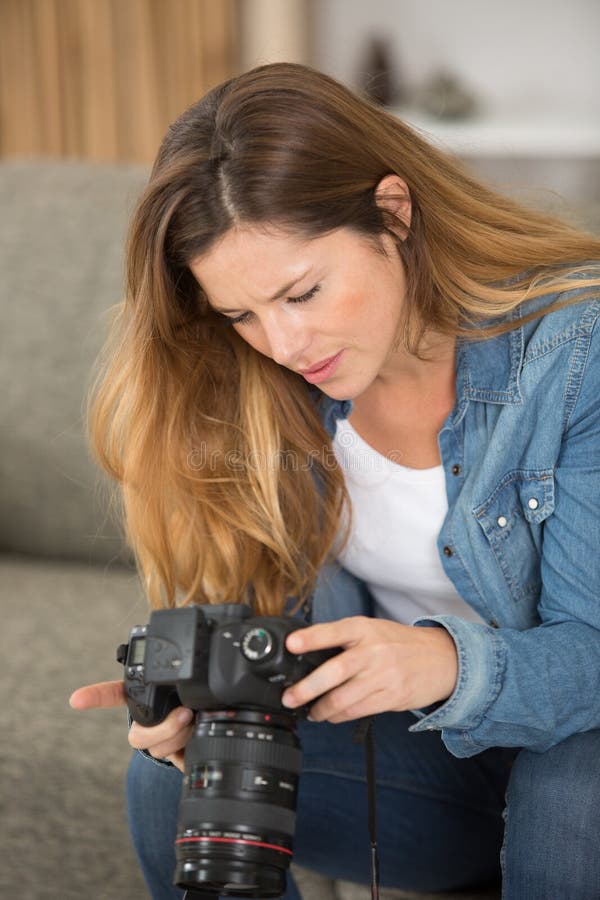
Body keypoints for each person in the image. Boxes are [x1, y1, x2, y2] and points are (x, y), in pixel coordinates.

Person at [70, 62, 600, 899]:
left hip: (581, 757)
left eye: (304, 292)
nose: (282, 343)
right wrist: (200, 697)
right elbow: (269, 629)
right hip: (437, 775)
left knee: (578, 784)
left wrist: (449, 666)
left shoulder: (574, 355)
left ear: (392, 213)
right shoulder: (265, 393)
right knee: (175, 781)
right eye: (242, 315)